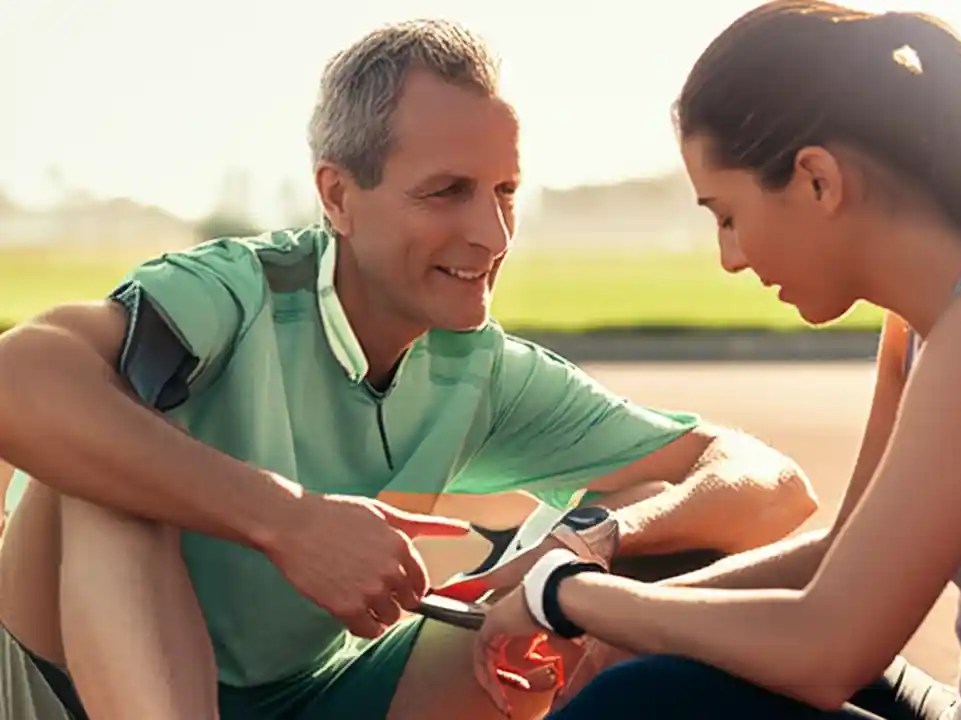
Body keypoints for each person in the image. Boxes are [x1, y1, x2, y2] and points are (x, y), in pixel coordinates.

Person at [0, 17, 821, 720]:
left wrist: (589, 545)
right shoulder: (232, 293)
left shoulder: (479, 368)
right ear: (338, 196)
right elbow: (18, 379)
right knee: (112, 450)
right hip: (68, 690)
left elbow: (770, 486)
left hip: (304, 695)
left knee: (652, 530)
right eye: (446, 192)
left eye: (504, 191)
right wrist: (289, 520)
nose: (493, 236)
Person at [473, 3, 961, 719]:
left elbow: (829, 654)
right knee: (665, 605)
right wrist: (613, 615)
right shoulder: (929, 325)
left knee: (648, 696)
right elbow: (839, 555)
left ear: (818, 180)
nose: (730, 257)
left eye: (729, 216)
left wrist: (565, 594)